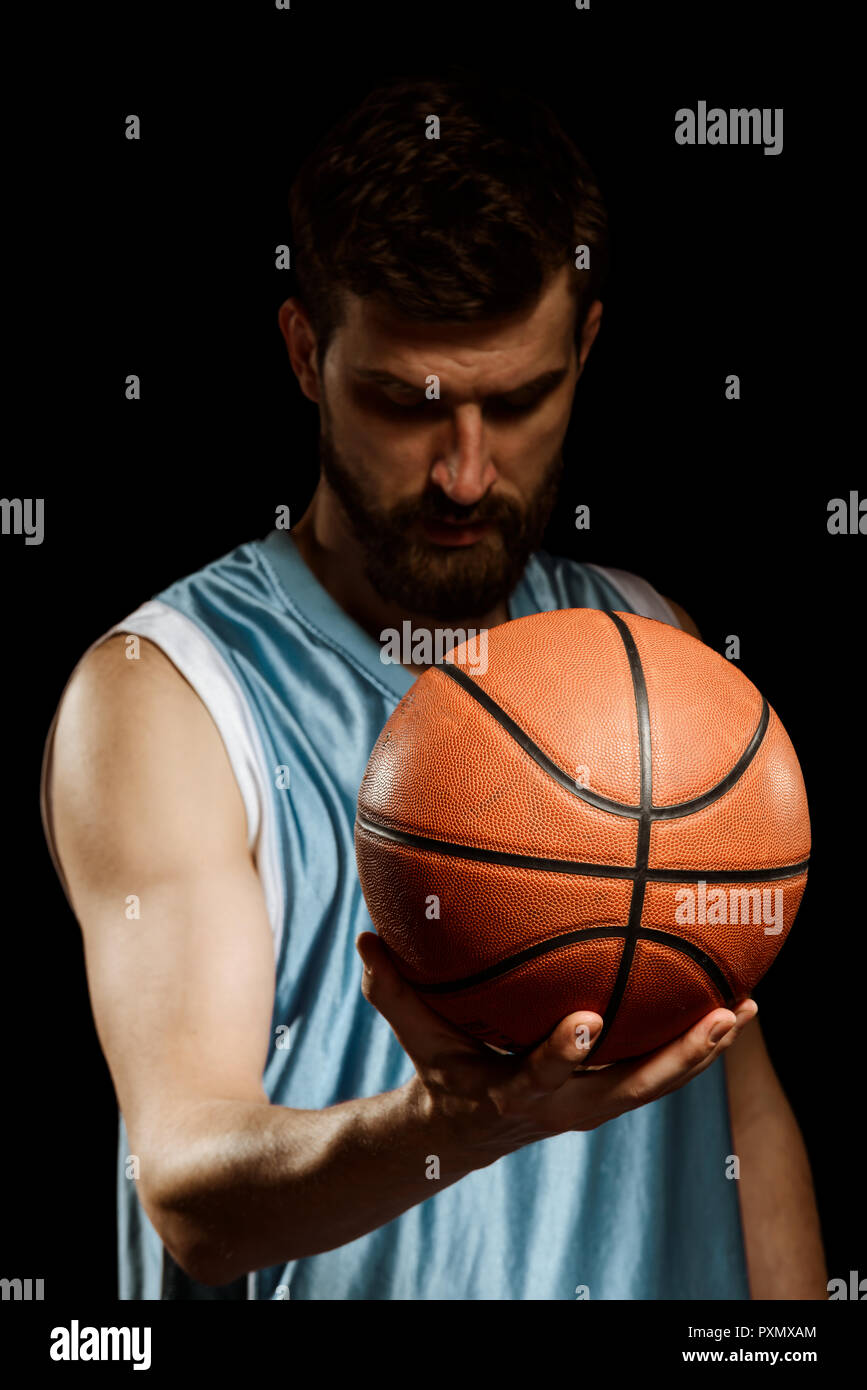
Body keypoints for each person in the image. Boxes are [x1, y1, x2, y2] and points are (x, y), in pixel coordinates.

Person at [41, 74, 826, 1300]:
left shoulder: (652, 647)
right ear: (306, 353)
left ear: (586, 347)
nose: (465, 472)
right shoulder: (167, 695)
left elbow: (743, 1102)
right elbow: (190, 1187)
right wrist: (460, 1122)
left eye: (518, 402)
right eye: (408, 406)